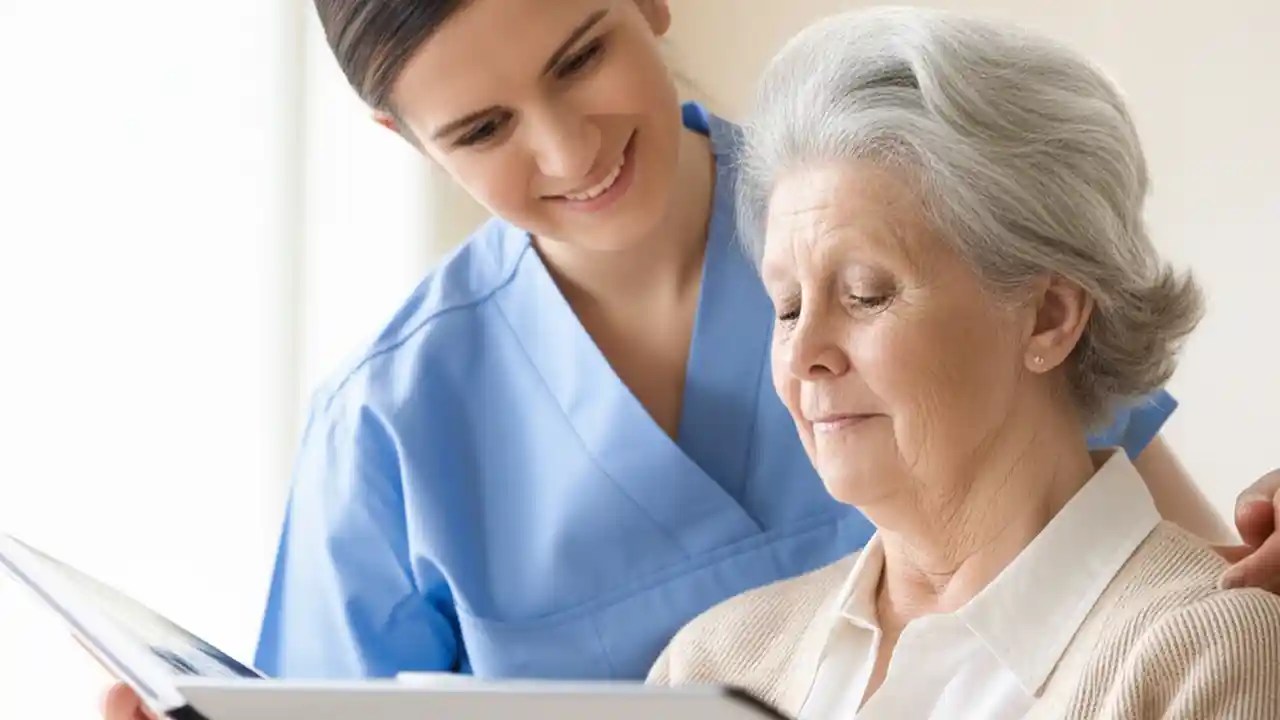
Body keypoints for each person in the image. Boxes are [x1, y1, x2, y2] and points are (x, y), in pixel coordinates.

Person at [99, 0, 1280, 718]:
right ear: (403, 141)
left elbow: (1152, 575)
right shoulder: (393, 423)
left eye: (576, 58)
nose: (567, 148)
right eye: (481, 128)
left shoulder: (902, 184)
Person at [649, 8, 1280, 718]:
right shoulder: (707, 668)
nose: (803, 354)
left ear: (1049, 316)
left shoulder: (1210, 655)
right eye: (788, 306)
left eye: (865, 294)